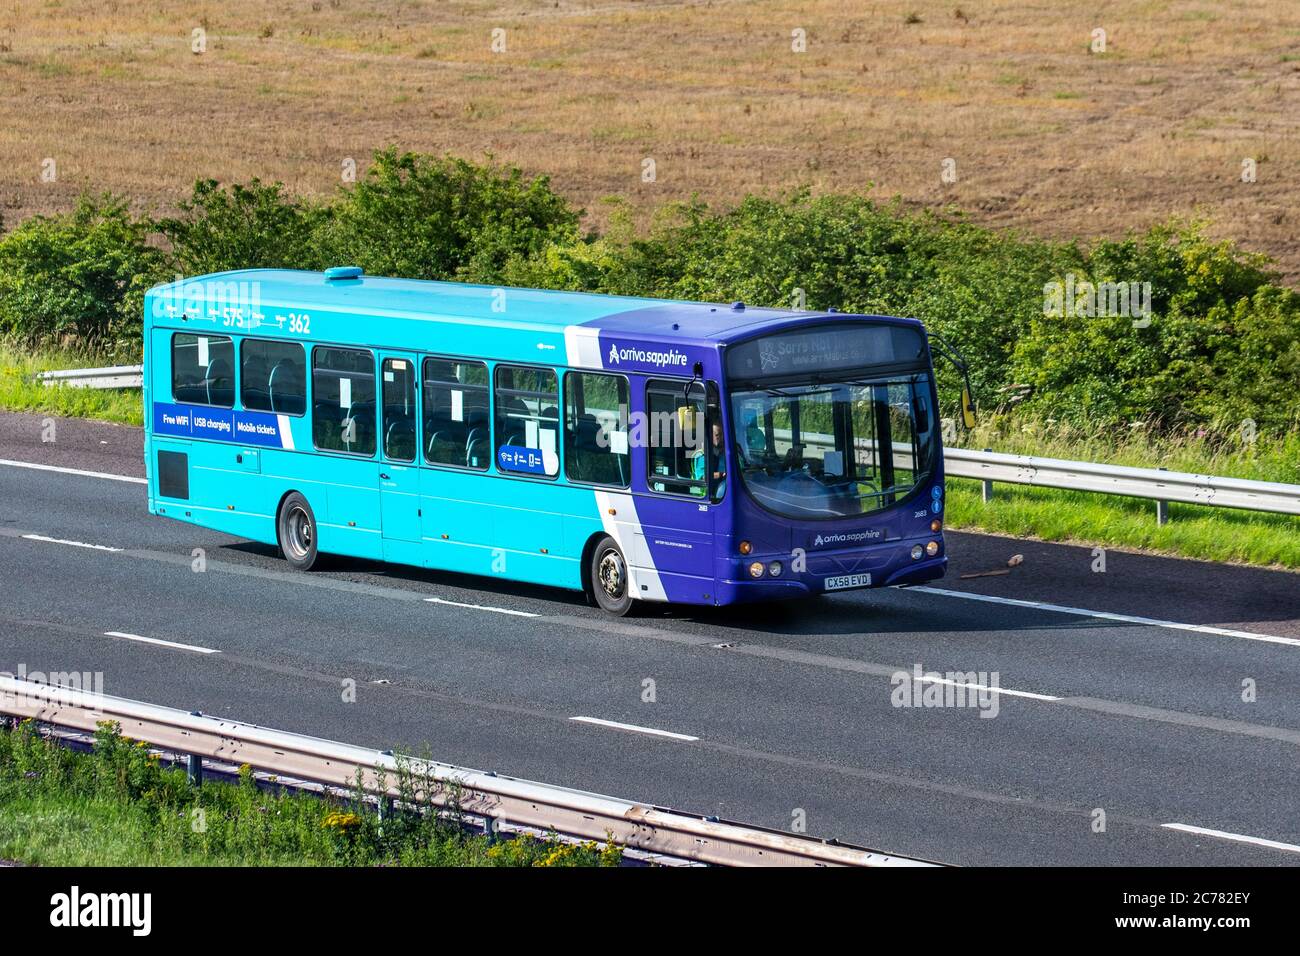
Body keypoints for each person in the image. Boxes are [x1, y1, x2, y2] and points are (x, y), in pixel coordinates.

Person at [693, 419, 726, 499]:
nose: (721, 438)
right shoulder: (701, 455)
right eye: (718, 435)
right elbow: (702, 477)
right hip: (704, 496)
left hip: (720, 489)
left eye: (722, 435)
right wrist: (721, 475)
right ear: (710, 435)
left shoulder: (721, 451)